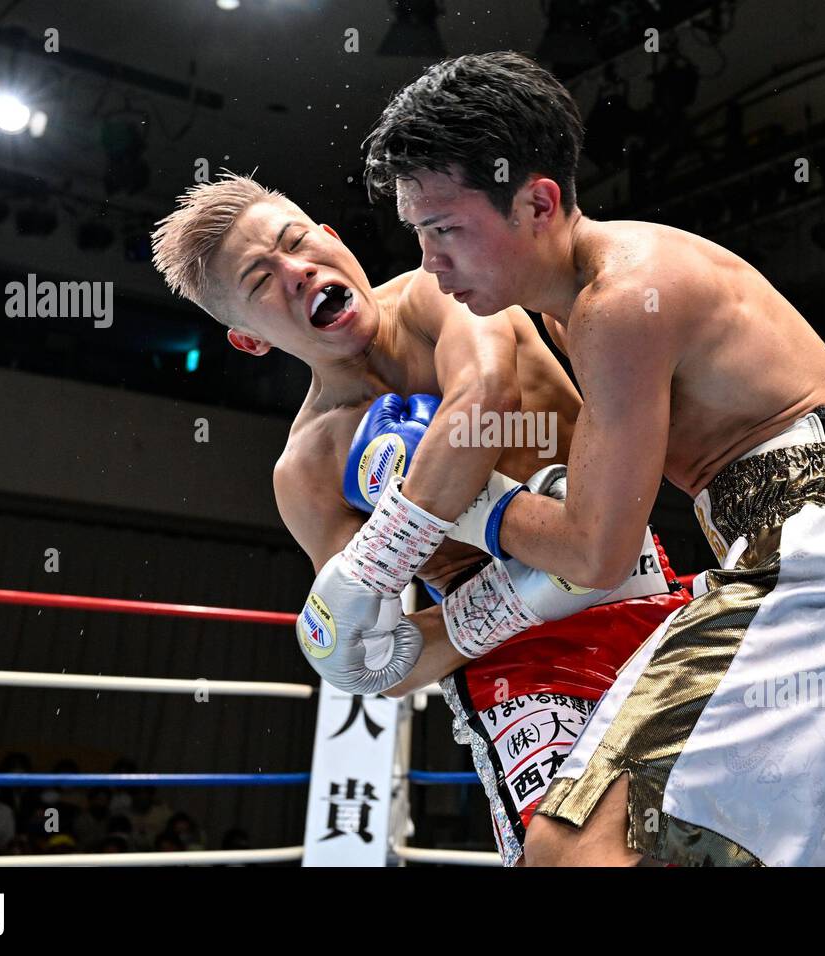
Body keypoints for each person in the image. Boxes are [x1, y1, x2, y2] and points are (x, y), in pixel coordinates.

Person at [362, 51, 825, 867]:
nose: (430, 261)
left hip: (811, 566)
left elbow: (596, 550)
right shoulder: (580, 308)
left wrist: (454, 497)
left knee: (575, 847)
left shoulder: (621, 300)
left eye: (446, 229)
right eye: (419, 233)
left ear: (537, 201)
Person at [150, 173, 688, 864]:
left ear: (332, 238)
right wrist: (520, 596)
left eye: (297, 242)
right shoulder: (308, 469)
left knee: (715, 830)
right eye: (261, 281)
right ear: (249, 340)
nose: (296, 271)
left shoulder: (446, 288)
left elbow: (486, 398)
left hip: (641, 591)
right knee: (574, 855)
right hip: (517, 664)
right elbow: (378, 657)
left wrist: (386, 544)